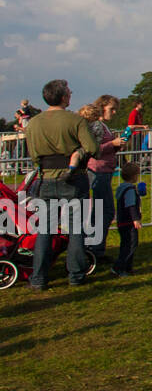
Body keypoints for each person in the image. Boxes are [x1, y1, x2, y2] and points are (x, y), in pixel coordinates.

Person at [24, 80, 99, 290]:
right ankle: (76, 275)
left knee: (45, 230)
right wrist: (78, 155)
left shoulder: (34, 123)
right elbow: (93, 148)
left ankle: (38, 278)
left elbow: (34, 157)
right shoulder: (75, 121)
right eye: (69, 92)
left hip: (45, 178)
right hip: (73, 178)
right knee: (76, 229)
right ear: (64, 97)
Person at [83, 95, 124, 261]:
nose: (113, 112)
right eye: (111, 109)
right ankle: (94, 249)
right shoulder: (96, 126)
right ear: (102, 107)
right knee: (103, 211)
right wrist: (112, 145)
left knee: (102, 211)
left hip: (103, 169)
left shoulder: (102, 126)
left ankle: (95, 248)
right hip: (97, 170)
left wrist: (115, 148)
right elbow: (92, 148)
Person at [111, 159, 143, 276]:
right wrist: (135, 219)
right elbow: (131, 205)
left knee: (126, 244)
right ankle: (119, 267)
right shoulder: (130, 190)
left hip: (122, 222)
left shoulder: (122, 188)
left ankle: (128, 267)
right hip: (129, 222)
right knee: (130, 245)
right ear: (134, 176)